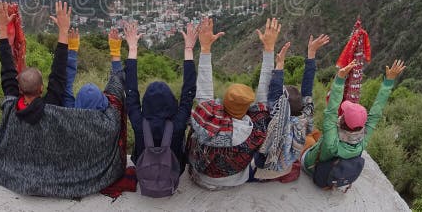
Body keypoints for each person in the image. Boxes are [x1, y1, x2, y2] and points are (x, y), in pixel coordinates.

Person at [0, 1, 127, 198]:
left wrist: (3, 29)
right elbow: (59, 76)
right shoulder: (53, 109)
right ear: (41, 88)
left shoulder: (11, 106)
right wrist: (63, 31)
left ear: (19, 88)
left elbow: (7, 71)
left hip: (12, 175)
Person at [186, 17, 281, 190]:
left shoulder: (206, 117)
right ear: (248, 109)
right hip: (234, 179)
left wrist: (205, 48)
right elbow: (263, 98)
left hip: (199, 176)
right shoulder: (256, 130)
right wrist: (269, 49)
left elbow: (204, 92)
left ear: (223, 103)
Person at [302, 59, 407, 183]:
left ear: (342, 121)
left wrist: (340, 78)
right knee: (317, 135)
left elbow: (331, 110)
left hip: (311, 167)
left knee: (307, 136)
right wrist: (388, 82)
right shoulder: (363, 139)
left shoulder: (332, 140)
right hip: (332, 172)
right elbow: (376, 114)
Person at [123, 20, 198, 178]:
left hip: (144, 168)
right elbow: (188, 93)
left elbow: (130, 93)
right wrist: (189, 48)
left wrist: (132, 49)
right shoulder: (178, 123)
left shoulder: (139, 122)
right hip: (173, 169)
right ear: (171, 102)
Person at [253, 34, 330, 181]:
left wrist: (280, 63)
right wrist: (311, 54)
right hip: (286, 165)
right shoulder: (305, 116)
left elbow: (274, 91)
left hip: (266, 167)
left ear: (281, 107)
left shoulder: (273, 122)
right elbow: (307, 88)